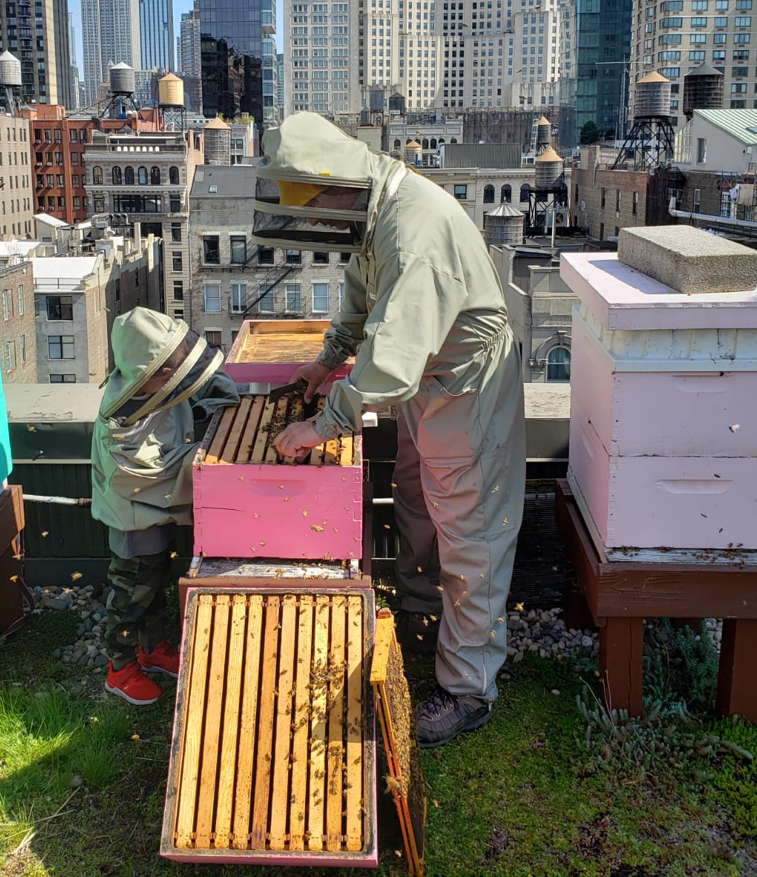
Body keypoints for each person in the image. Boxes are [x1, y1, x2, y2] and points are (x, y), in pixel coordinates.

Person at [254, 112, 526, 747]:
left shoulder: (415, 231)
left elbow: (389, 365)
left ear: (334, 186)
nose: (320, 227)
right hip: (427, 384)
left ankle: (468, 689)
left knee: (471, 535)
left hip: (464, 387)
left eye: (319, 212)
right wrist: (322, 363)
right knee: (415, 502)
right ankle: (421, 613)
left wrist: (320, 427)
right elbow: (359, 299)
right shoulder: (375, 209)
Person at [91, 308, 239, 706]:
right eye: (167, 367)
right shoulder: (122, 422)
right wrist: (208, 457)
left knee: (154, 584)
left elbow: (200, 381)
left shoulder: (160, 384)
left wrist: (224, 396)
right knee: (130, 593)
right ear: (146, 374)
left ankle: (152, 648)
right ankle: (119, 668)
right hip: (133, 519)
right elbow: (151, 474)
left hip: (159, 512)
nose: (175, 372)